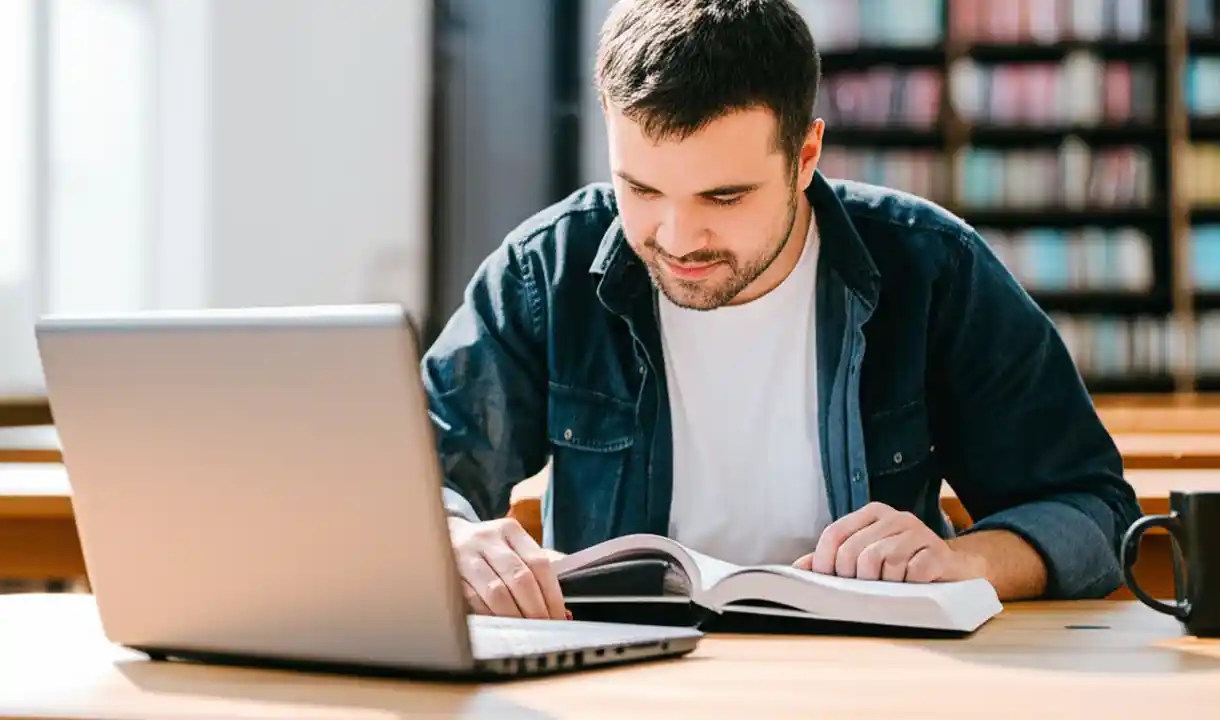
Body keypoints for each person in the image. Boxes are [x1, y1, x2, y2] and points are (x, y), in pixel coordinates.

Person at [423, 0, 1140, 621]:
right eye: (639, 189)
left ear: (805, 156)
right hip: (621, 686)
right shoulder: (544, 272)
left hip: (874, 684)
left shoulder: (933, 268)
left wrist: (965, 560)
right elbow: (419, 471)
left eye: (724, 198)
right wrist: (447, 534)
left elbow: (1094, 510)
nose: (675, 239)